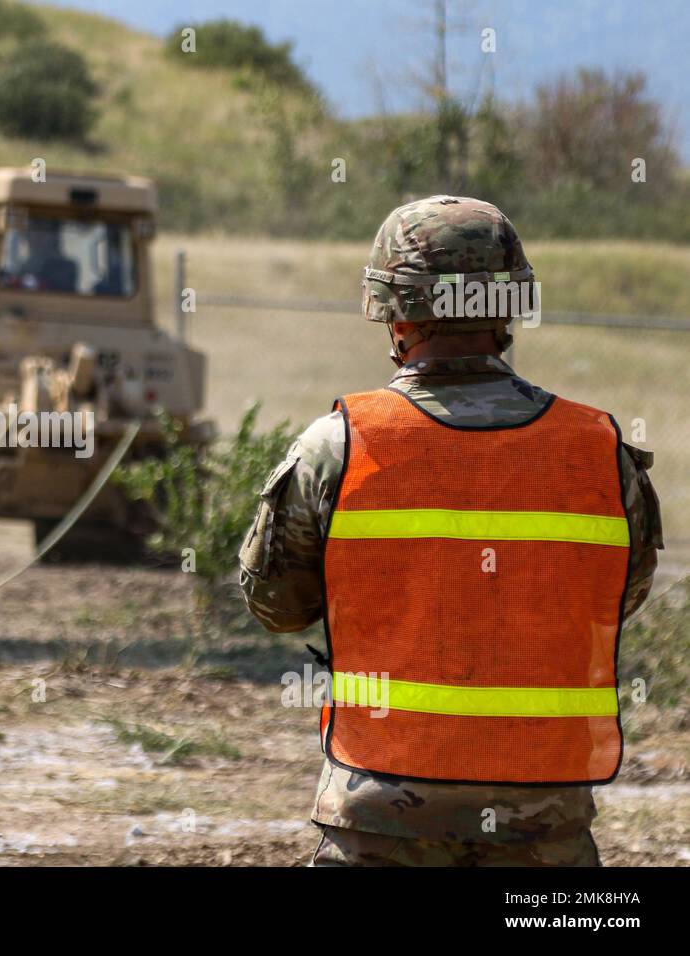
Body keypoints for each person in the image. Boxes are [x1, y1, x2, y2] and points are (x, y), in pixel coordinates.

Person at [239, 195, 663, 867]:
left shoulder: (339, 446)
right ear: (509, 309)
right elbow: (618, 598)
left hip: (380, 815)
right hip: (543, 826)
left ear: (394, 311)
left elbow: (277, 608)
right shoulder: (598, 453)